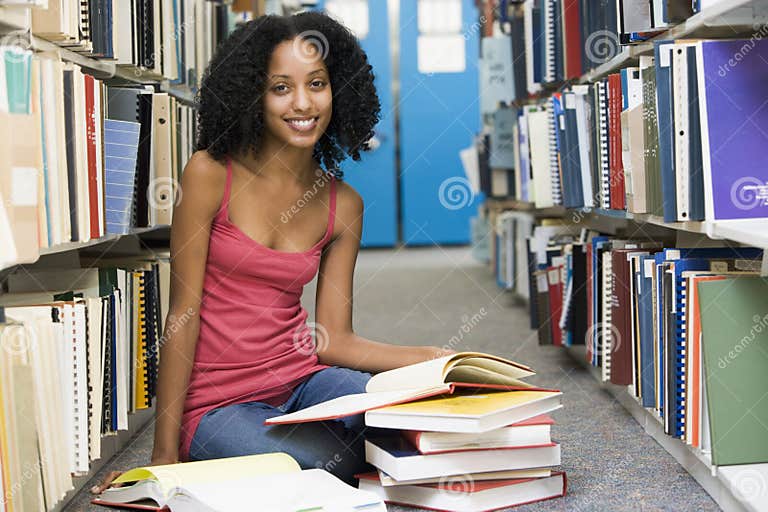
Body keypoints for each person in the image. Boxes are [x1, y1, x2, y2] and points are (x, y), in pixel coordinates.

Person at [90, 11, 452, 494]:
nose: (303, 103)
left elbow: (335, 341)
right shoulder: (209, 174)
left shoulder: (343, 204)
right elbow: (182, 314)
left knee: (416, 416)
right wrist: (163, 459)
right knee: (322, 462)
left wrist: (434, 359)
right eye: (281, 88)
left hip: (305, 382)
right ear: (252, 96)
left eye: (317, 84)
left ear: (338, 90)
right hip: (219, 405)